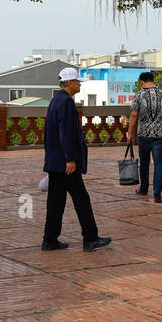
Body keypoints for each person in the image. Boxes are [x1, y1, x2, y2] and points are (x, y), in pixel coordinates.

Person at [41, 67, 111, 252]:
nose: (80, 84)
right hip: (66, 164)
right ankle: (90, 238)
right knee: (81, 199)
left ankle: (50, 239)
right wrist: (70, 159)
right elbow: (66, 133)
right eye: (78, 82)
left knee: (55, 203)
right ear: (70, 83)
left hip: (55, 162)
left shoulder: (56, 100)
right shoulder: (66, 102)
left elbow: (49, 133)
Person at [126, 71, 162, 203]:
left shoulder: (139, 95)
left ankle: (144, 189)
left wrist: (130, 133)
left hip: (144, 135)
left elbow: (134, 115)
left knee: (144, 163)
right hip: (159, 135)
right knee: (159, 163)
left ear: (142, 82)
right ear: (153, 81)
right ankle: (157, 194)